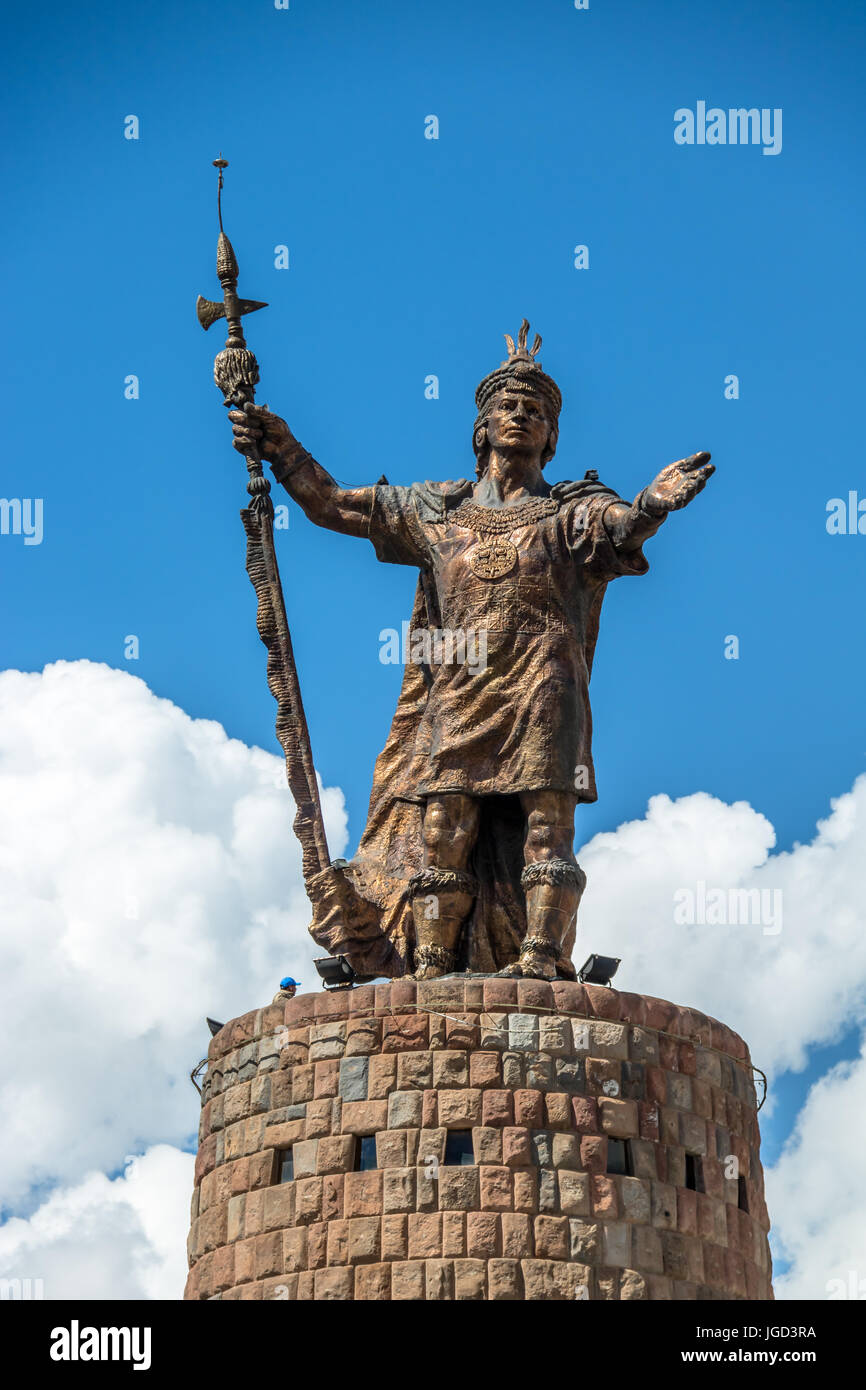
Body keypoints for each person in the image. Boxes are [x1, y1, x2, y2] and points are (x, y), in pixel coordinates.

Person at [230, 321, 713, 981]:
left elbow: (621, 528)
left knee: (548, 824)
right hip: (459, 691)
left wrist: (654, 505)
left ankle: (540, 957)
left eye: (536, 412)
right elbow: (332, 505)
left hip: (546, 688)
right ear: (483, 428)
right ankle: (430, 967)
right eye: (508, 408)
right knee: (443, 828)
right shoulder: (438, 512)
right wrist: (282, 449)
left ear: (553, 436)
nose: (522, 416)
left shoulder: (571, 511)